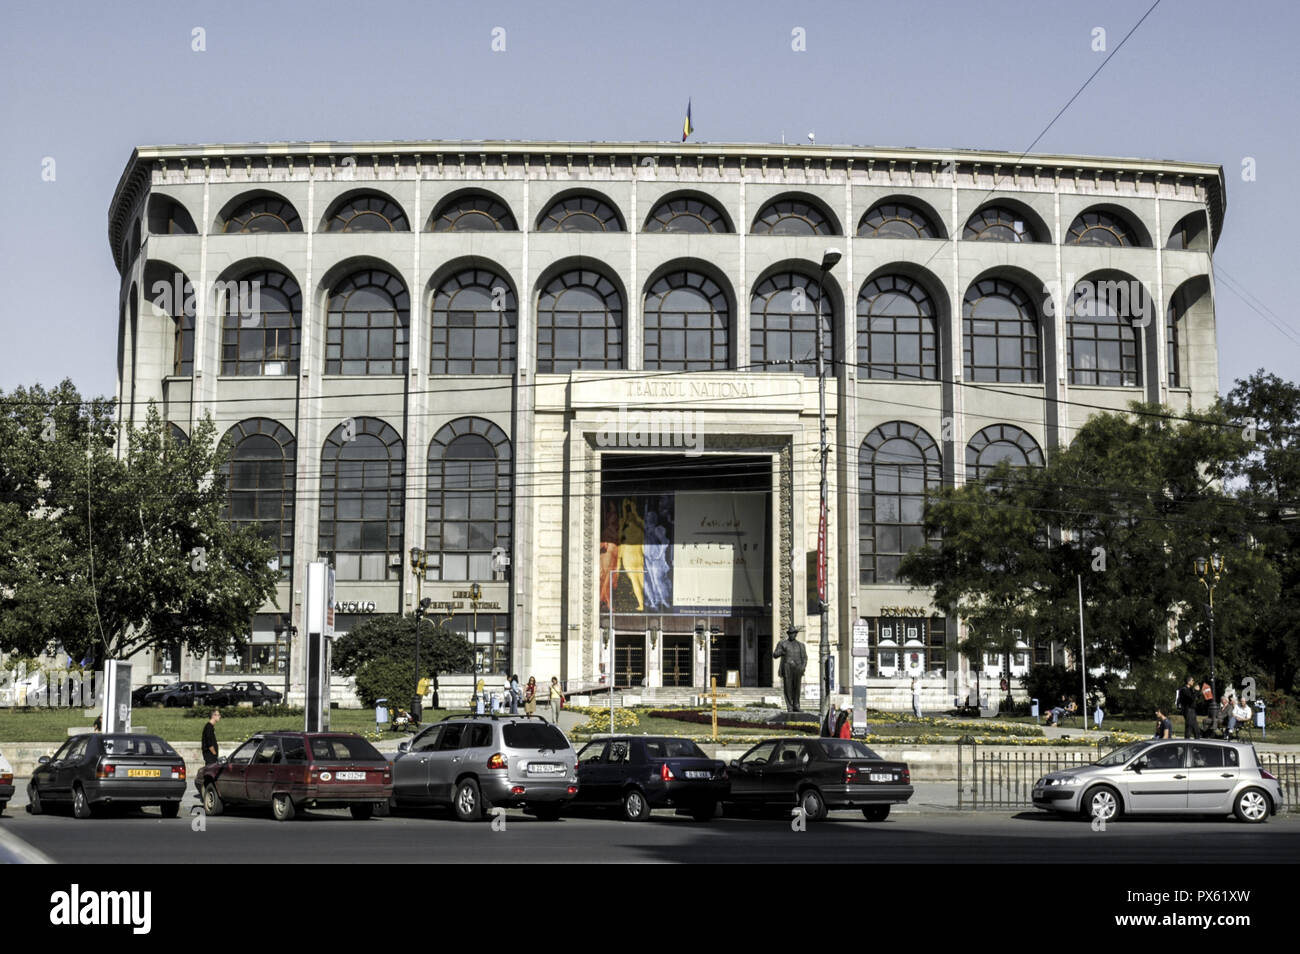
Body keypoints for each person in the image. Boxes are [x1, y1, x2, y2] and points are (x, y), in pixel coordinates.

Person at [772, 626, 808, 712]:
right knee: (788, 687)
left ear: (796, 634)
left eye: (794, 633)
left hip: (798, 668)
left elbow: (805, 658)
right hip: (787, 668)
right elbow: (775, 654)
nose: (792, 635)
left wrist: (803, 667)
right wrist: (781, 652)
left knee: (797, 688)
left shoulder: (801, 645)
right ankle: (789, 706)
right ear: (788, 634)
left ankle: (796, 705)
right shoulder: (783, 643)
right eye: (791, 633)